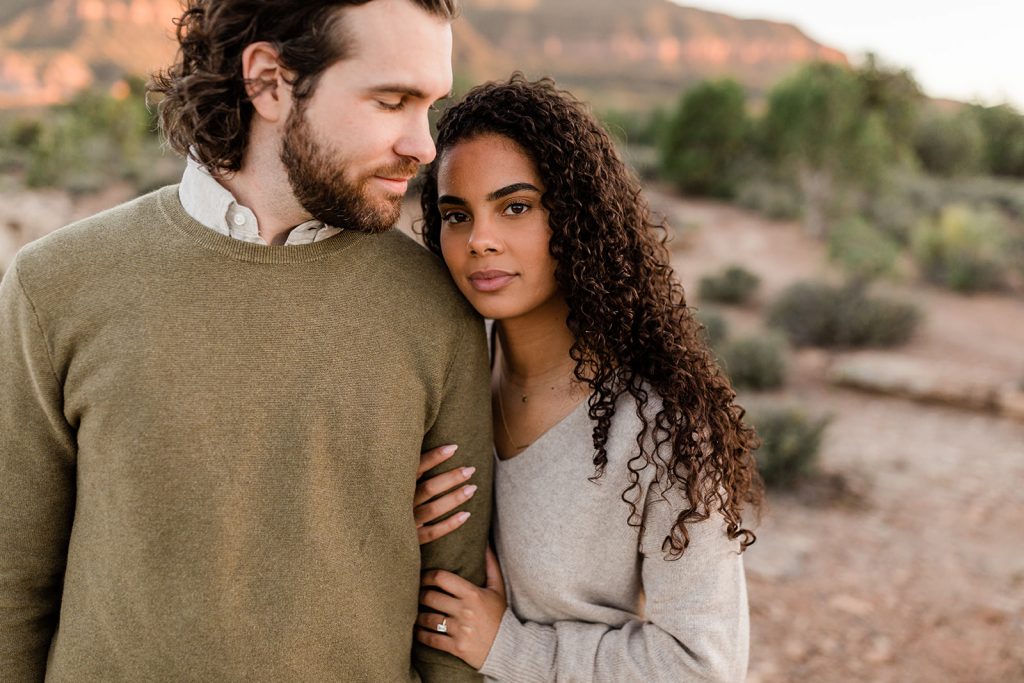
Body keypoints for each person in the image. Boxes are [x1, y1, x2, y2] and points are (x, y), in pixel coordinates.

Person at [0, 1, 493, 680]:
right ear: (268, 81)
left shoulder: (440, 309)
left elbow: (451, 624)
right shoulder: (55, 285)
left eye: (430, 105)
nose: (424, 145)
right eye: (392, 101)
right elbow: (11, 584)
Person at [409, 75, 765, 682]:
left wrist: (510, 647)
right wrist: (400, 530)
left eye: (515, 206)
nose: (480, 241)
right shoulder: (442, 373)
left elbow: (703, 667)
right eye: (456, 215)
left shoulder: (662, 426)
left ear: (577, 219)